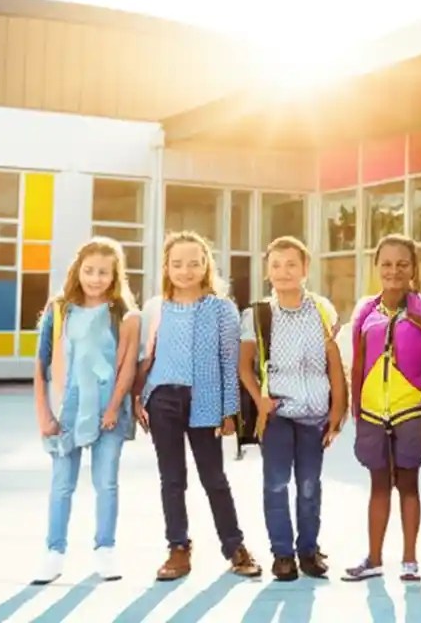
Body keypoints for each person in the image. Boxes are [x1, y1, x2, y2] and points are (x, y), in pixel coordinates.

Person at [137, 230, 261, 581]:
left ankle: (234, 546)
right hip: (162, 400)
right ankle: (178, 548)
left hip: (205, 401)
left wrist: (229, 411)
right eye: (177, 264)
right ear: (166, 266)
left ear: (206, 264)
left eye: (194, 263)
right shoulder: (155, 308)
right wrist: (140, 398)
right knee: (172, 479)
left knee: (214, 478)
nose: (185, 271)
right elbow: (145, 357)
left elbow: (229, 363)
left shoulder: (222, 309)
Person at [31, 237, 141, 584]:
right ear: (78, 270)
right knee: (62, 484)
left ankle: (105, 550)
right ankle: (54, 552)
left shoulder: (125, 315)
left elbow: (128, 369)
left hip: (110, 411)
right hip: (68, 410)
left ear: (115, 275)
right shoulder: (59, 310)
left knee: (106, 483)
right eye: (89, 270)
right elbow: (41, 364)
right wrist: (44, 414)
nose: (95, 278)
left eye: (103, 272)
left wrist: (113, 408)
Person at [238, 236, 346, 581]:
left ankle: (309, 550)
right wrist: (260, 400)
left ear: (305, 269)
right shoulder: (257, 315)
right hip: (278, 414)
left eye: (291, 264)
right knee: (276, 483)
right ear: (267, 271)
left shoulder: (323, 310)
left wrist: (337, 411)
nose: (283, 271)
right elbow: (244, 366)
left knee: (310, 484)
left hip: (315, 414)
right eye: (276, 265)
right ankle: (282, 554)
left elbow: (334, 364)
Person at [342, 235, 421, 582]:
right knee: (378, 484)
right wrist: (353, 410)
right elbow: (356, 363)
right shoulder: (366, 312)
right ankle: (373, 558)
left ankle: (410, 560)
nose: (393, 271)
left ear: (413, 268)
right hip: (372, 413)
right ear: (376, 267)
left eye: (402, 264)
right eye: (386, 264)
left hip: (409, 411)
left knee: (409, 484)